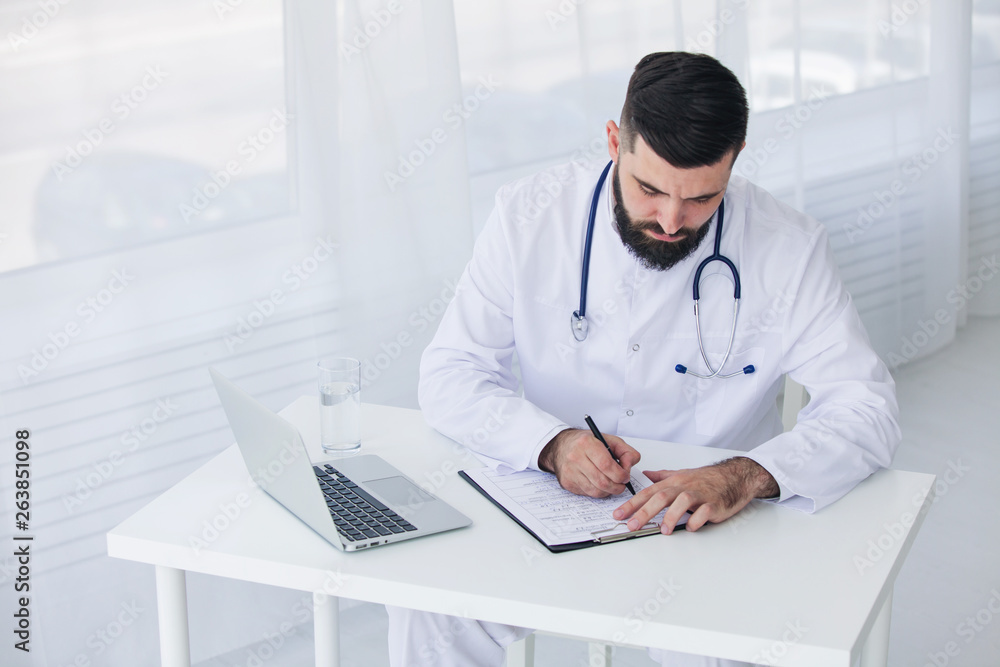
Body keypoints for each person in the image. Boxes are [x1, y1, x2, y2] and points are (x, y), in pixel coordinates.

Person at [387, 51, 900, 667]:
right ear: (614, 142)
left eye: (702, 199)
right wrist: (551, 443)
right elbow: (451, 372)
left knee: (719, 649)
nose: (670, 219)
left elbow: (866, 409)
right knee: (431, 608)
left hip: (706, 530)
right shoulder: (529, 216)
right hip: (550, 503)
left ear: (736, 157)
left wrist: (742, 476)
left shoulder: (788, 248)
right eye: (649, 188)